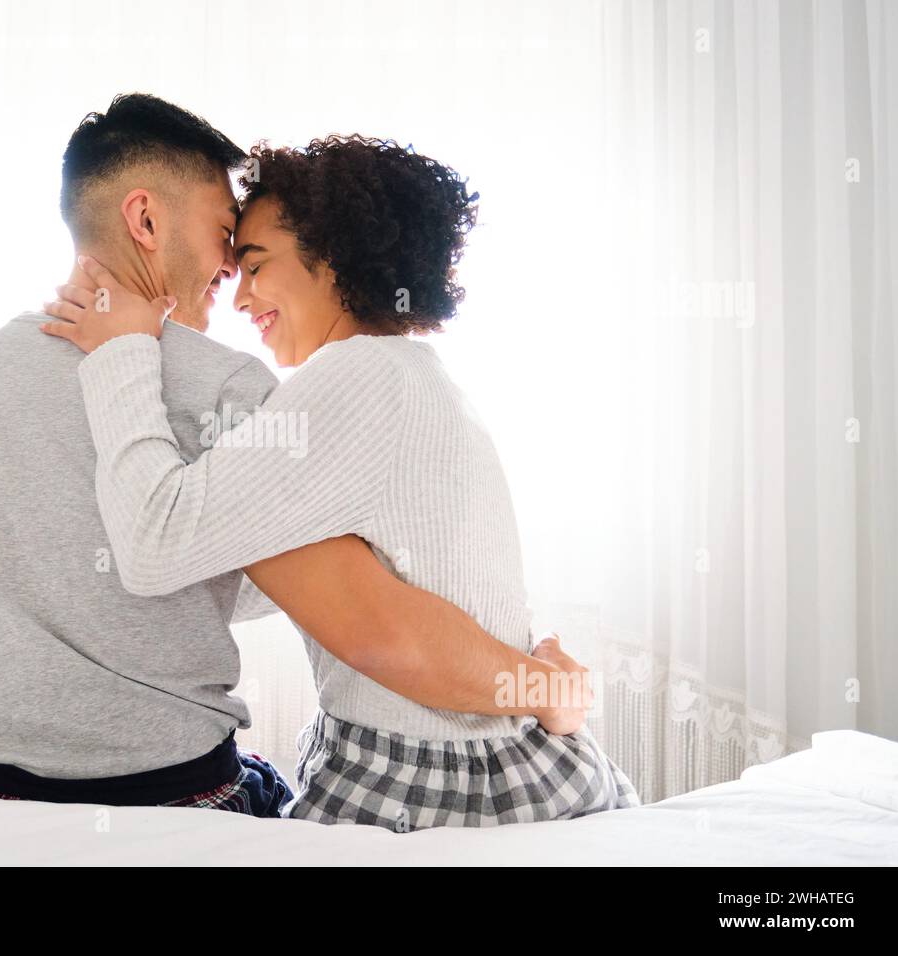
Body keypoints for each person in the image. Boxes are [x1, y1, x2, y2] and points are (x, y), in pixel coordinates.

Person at [0, 97, 589, 815]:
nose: (230, 273)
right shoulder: (233, 388)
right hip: (176, 795)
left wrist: (15, 750)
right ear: (146, 220)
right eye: (228, 239)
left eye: (251, 259)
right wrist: (544, 687)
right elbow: (357, 615)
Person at [44, 133, 639, 829]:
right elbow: (294, 578)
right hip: (487, 755)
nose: (241, 299)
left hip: (441, 782)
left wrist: (123, 348)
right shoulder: (404, 373)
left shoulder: (358, 377)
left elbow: (157, 544)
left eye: (258, 265)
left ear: (332, 260)